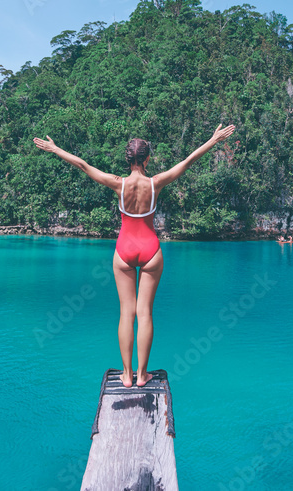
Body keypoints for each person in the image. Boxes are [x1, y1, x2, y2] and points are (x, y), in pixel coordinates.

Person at [33, 123, 236, 387]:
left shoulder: (118, 184)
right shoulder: (156, 183)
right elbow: (188, 161)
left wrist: (55, 148)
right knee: (145, 313)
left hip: (124, 251)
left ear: (127, 160)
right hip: (151, 251)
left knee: (126, 313)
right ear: (148, 158)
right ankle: (143, 375)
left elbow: (82, 165)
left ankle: (127, 376)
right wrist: (213, 139)